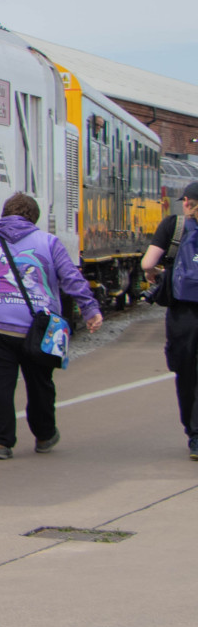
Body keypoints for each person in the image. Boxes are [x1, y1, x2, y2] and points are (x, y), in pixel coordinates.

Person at [0, 192, 102, 459]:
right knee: (40, 382)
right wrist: (89, 309)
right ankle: (44, 436)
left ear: (4, 215)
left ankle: (1, 443)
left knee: (0, 384)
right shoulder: (50, 242)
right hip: (38, 328)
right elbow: (71, 279)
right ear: (33, 218)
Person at [141, 180, 198, 460]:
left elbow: (148, 263)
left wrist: (153, 276)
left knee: (186, 370)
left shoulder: (174, 226)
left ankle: (194, 434)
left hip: (182, 312)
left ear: (188, 201)